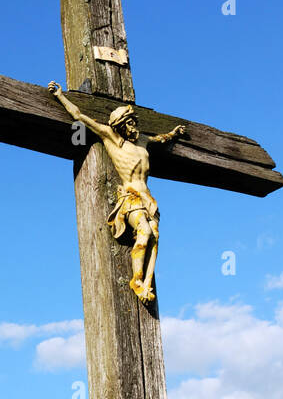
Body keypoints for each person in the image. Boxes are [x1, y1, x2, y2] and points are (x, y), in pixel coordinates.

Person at [48, 81, 185, 303]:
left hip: (148, 199)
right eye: (128, 125)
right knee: (145, 233)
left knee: (155, 237)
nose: (133, 128)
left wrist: (174, 133)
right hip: (130, 197)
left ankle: (147, 282)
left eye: (133, 123)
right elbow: (80, 116)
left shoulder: (143, 141)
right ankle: (137, 280)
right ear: (120, 127)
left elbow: (161, 139)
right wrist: (60, 96)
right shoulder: (112, 138)